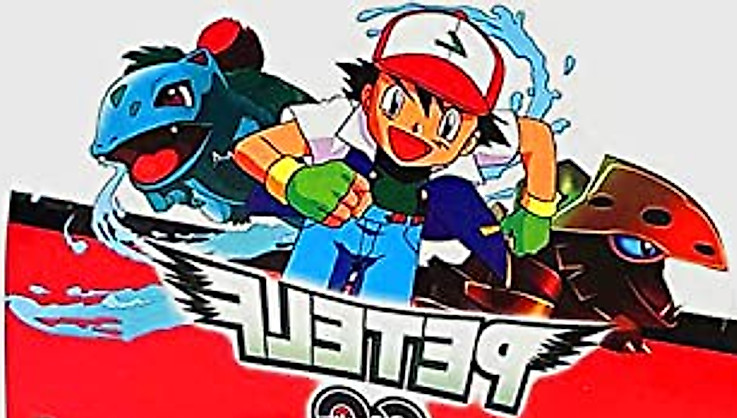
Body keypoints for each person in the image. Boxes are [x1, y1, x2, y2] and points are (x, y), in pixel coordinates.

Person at [233, 9, 558, 305]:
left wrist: (538, 208)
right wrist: (292, 179)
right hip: (333, 225)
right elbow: (252, 148)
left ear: (470, 139)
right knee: (298, 298)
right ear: (368, 95)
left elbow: (536, 137)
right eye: (396, 103)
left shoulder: (479, 142)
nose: (416, 126)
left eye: (446, 124)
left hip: (399, 239)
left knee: (383, 312)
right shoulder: (341, 119)